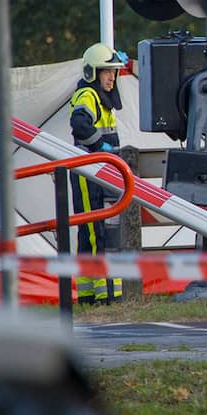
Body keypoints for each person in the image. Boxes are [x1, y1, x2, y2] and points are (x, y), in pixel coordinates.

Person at [69, 43, 127, 305]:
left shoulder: (102, 100)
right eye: (106, 72)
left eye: (113, 72)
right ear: (93, 73)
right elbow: (79, 124)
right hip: (88, 173)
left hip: (101, 173)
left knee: (97, 232)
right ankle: (103, 296)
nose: (111, 78)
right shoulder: (87, 97)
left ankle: (91, 294)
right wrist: (98, 147)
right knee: (95, 232)